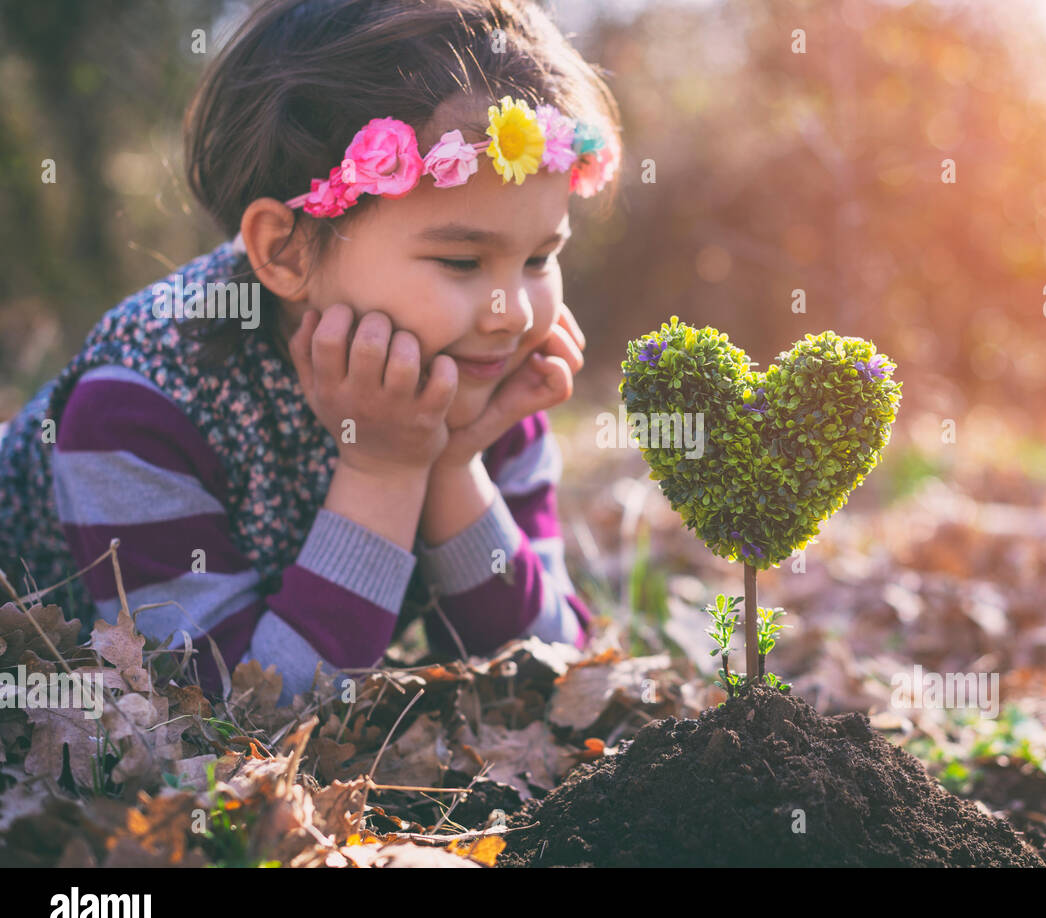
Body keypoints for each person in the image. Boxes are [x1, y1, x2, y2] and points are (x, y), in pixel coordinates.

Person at [0, 0, 622, 702]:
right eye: (460, 261)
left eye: (540, 257)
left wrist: (454, 462)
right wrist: (384, 470)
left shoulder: (492, 379)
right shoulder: (135, 409)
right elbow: (222, 715)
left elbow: (549, 668)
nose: (512, 313)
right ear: (284, 250)